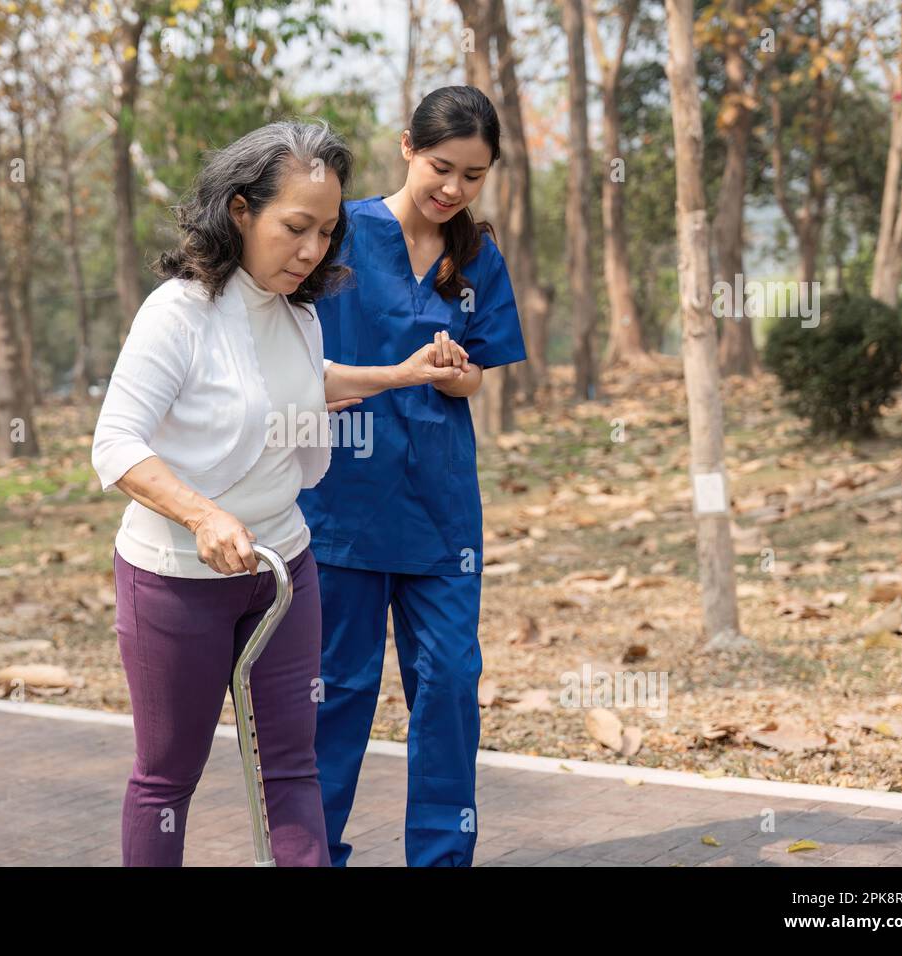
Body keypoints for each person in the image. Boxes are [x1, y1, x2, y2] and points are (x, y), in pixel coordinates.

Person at [91, 120, 471, 866]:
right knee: (168, 777)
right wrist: (201, 514)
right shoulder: (177, 315)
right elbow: (116, 444)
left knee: (294, 769)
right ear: (240, 211)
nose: (312, 251)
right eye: (296, 227)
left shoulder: (295, 311)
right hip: (176, 578)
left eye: (327, 233)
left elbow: (296, 390)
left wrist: (399, 374)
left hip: (282, 568)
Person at [298, 87, 529, 867]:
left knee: (452, 684)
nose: (454, 189)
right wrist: (394, 372)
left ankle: (440, 857)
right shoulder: (341, 237)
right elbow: (300, 361)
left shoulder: (476, 255)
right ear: (407, 147)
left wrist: (456, 373)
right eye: (442, 167)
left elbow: (478, 380)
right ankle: (312, 853)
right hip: (341, 506)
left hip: (440, 513)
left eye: (474, 174)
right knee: (339, 689)